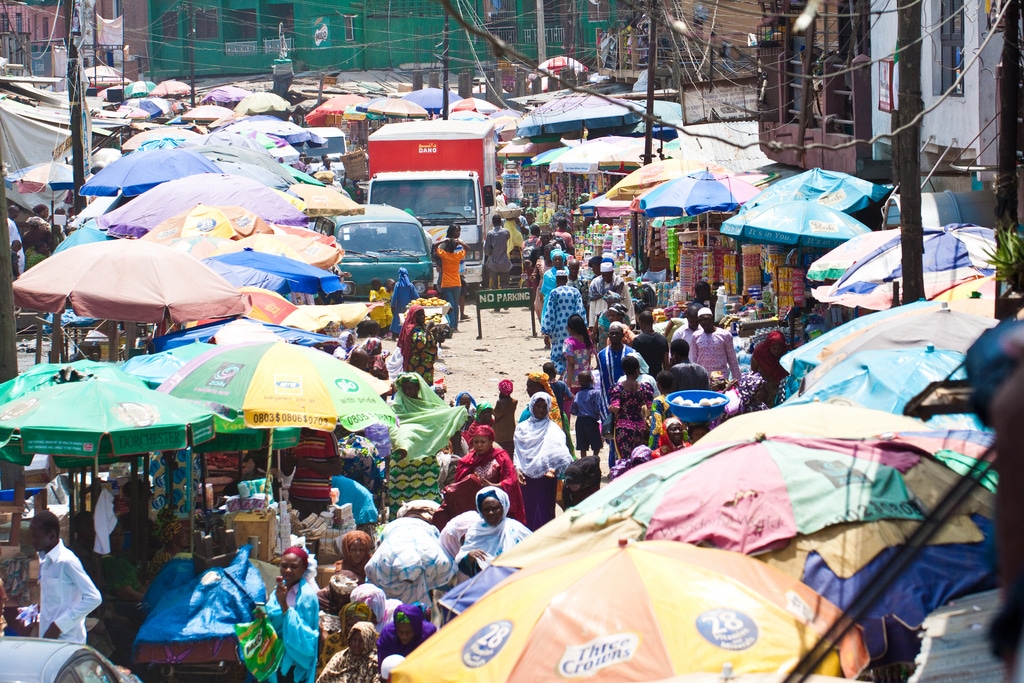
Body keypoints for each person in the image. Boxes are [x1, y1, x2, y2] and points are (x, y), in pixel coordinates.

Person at [390, 373, 467, 516]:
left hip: (425, 460)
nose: (408, 392)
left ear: (418, 389)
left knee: (427, 503)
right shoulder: (397, 407)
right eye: (405, 389)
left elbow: (441, 418)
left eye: (411, 388)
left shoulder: (427, 407)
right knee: (401, 502)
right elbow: (394, 428)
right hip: (402, 462)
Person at [30, 510, 102, 643]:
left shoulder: (67, 561)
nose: (32, 541)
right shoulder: (44, 561)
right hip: (48, 640)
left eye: (36, 537)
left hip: (69, 641)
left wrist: (59, 626)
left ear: (51, 536)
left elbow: (94, 598)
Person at [513, 393, 574, 530]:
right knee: (527, 513)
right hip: (525, 479)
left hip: (545, 479)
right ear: (532, 406)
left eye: (544, 407)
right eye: (537, 406)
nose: (541, 410)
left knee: (545, 513)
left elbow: (562, 453)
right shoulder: (522, 428)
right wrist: (517, 469)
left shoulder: (553, 429)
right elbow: (518, 452)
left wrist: (554, 468)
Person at [365, 514, 455, 605]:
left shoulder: (437, 561)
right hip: (394, 529)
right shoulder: (380, 565)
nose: (412, 583)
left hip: (421, 527)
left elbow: (449, 577)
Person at [448, 425, 526, 523]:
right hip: (474, 507)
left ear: (491, 442)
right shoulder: (468, 460)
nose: (479, 445)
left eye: (483, 442)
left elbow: (511, 480)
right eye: (476, 442)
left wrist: (494, 486)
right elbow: (459, 483)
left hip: (496, 506)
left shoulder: (501, 457)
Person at [267, 546, 320, 683]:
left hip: (294, 661)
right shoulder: (278, 590)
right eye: (284, 566)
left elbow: (306, 635)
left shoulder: (307, 596)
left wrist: (284, 606)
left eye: (294, 567)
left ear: (303, 569)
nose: (288, 570)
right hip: (273, 656)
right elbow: (272, 617)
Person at [455, 487, 531, 578]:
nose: (490, 513)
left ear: (504, 507)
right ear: (480, 511)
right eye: (486, 509)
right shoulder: (475, 532)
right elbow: (462, 562)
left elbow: (534, 551)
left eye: (495, 508)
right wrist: (468, 556)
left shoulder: (516, 529)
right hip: (486, 583)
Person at [284, 429, 344, 520]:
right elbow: (287, 471)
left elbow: (336, 469)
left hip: (319, 500)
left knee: (320, 528)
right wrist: (278, 449)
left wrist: (307, 463)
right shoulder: (294, 436)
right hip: (297, 498)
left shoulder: (327, 435)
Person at [608, 355, 654, 466]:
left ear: (624, 371)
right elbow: (650, 406)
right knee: (638, 457)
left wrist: (611, 408)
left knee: (625, 459)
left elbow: (616, 407)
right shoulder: (644, 388)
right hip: (639, 426)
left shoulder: (618, 388)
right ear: (637, 370)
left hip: (623, 427)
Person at [541, 268, 587, 374]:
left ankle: (562, 373)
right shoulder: (575, 292)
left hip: (558, 330)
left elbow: (550, 313)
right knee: (572, 352)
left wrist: (546, 330)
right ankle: (571, 373)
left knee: (558, 354)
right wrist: (582, 328)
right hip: (573, 329)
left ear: (556, 280)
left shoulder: (554, 293)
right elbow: (580, 311)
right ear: (566, 279)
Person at [597, 322, 647, 407]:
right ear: (608, 335)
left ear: (623, 335)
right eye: (612, 333)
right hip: (607, 400)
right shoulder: (601, 355)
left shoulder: (632, 353)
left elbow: (642, 373)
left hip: (629, 400)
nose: (614, 336)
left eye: (617, 333)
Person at [690, 307, 742, 381]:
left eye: (706, 319)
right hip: (703, 377)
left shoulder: (725, 335)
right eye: (700, 320)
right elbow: (694, 360)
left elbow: (732, 359)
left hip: (721, 377)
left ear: (712, 318)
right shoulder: (696, 336)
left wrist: (737, 380)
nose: (703, 322)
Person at [588, 261, 634, 339]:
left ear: (612, 272)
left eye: (608, 275)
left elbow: (628, 302)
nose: (606, 277)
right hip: (601, 322)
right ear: (601, 273)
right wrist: (592, 324)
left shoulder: (619, 283)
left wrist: (632, 320)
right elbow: (592, 306)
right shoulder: (595, 284)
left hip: (618, 321)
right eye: (604, 275)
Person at [396, 305, 439, 385]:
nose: (422, 317)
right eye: (419, 315)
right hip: (417, 363)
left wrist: (434, 334)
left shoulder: (422, 326)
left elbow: (431, 342)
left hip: (426, 363)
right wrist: (427, 330)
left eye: (423, 314)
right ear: (414, 316)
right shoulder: (412, 329)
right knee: (417, 385)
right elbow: (420, 344)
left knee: (426, 385)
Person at [570, 370, 607, 459]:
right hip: (591, 421)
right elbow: (597, 407)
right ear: (591, 380)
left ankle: (584, 460)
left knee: (582, 445)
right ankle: (595, 457)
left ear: (579, 382)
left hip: (580, 421)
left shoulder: (578, 394)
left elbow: (573, 409)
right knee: (596, 443)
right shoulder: (595, 393)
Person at [435, 231, 466, 331]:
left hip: (446, 284)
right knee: (455, 305)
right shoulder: (458, 255)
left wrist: (443, 241)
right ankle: (455, 326)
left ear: (447, 248)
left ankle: (451, 325)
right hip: (457, 283)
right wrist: (460, 242)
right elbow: (467, 248)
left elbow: (434, 247)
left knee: (450, 305)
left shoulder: (444, 255)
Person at [750, 330, 790, 403]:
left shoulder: (786, 354)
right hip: (765, 388)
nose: (776, 351)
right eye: (774, 349)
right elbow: (754, 372)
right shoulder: (760, 354)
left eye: (779, 349)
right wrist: (759, 388)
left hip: (782, 387)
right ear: (769, 346)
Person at [562, 314, 595, 392]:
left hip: (574, 379)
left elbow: (571, 364)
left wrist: (568, 383)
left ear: (570, 328)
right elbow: (588, 360)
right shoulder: (588, 340)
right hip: (587, 378)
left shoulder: (569, 342)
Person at [632, 310, 670, 376]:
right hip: (658, 377)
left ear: (640, 323)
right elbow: (666, 364)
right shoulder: (663, 340)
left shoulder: (638, 340)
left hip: (643, 378)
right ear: (653, 322)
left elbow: (635, 362)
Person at [483, 214, 512, 291]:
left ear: (493, 222)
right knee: (505, 285)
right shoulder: (506, 232)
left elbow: (487, 251)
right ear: (501, 222)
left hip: (493, 263)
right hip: (505, 263)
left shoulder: (490, 234)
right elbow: (508, 238)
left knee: (494, 287)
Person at [389, 268, 419, 338]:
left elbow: (394, 296)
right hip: (409, 305)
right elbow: (416, 296)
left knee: (397, 319)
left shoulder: (397, 285)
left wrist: (392, 305)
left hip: (399, 305)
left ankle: (394, 335)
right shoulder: (410, 285)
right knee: (407, 318)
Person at [649, 371, 675, 448]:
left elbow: (656, 426)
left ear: (658, 385)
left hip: (665, 442)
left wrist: (653, 447)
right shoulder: (677, 399)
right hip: (678, 439)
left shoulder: (658, 401)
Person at [493, 380, 518, 456]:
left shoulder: (499, 403)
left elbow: (496, 414)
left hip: (499, 433)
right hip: (510, 432)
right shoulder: (514, 402)